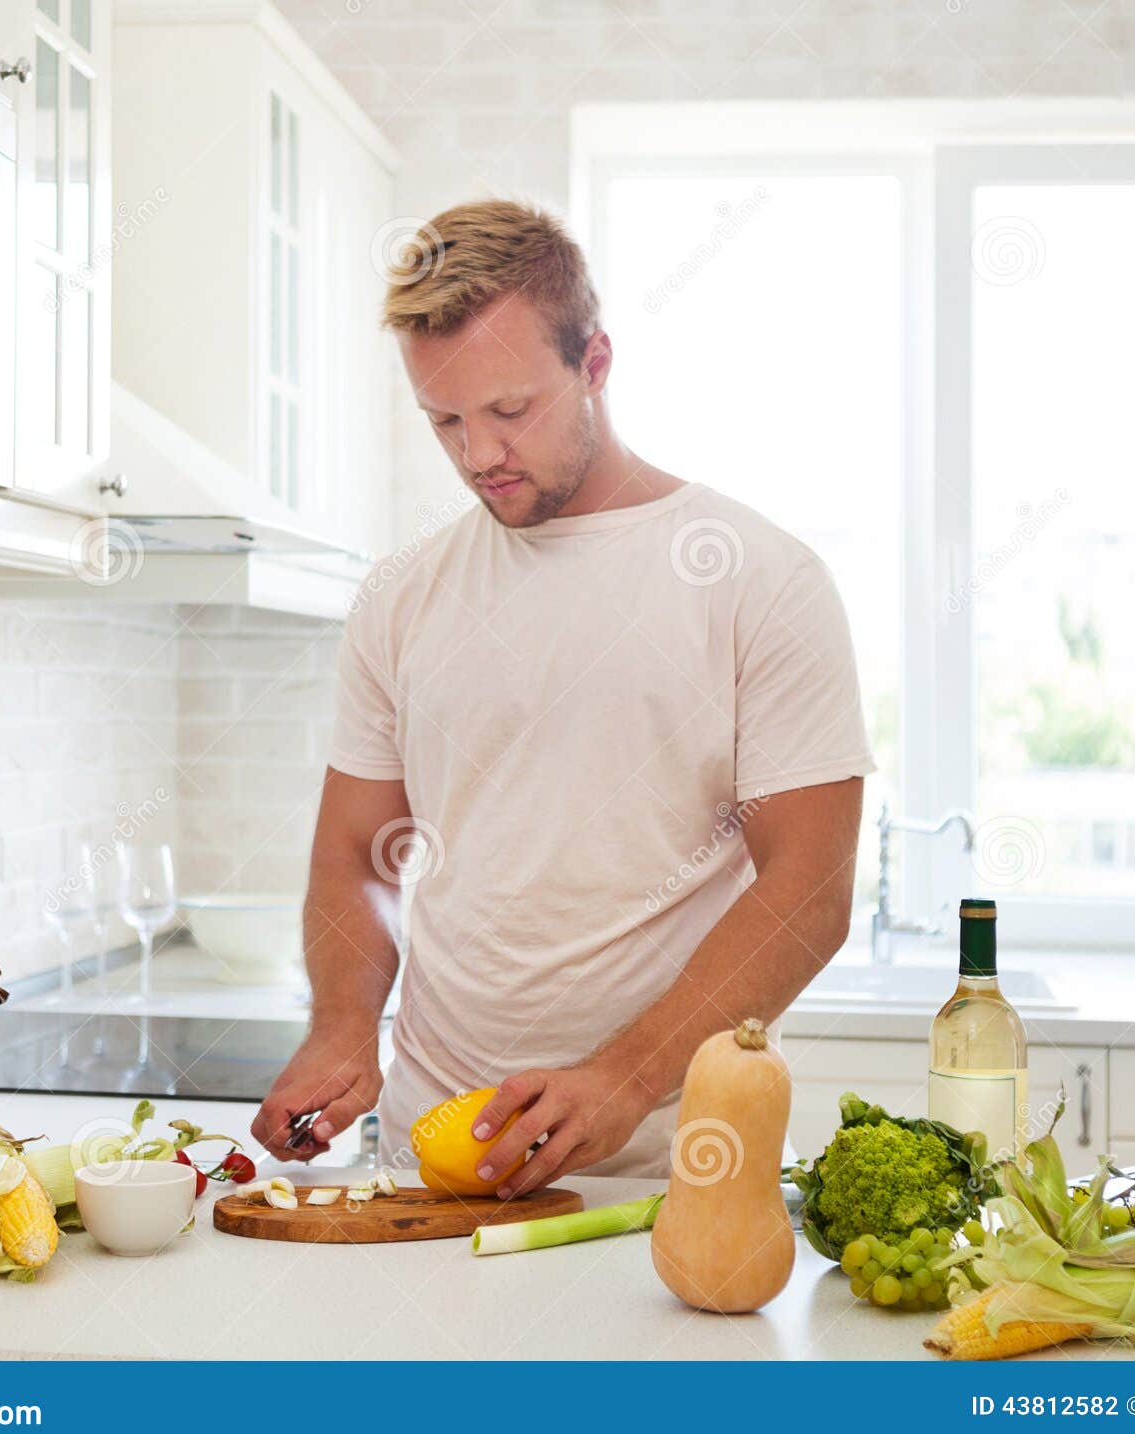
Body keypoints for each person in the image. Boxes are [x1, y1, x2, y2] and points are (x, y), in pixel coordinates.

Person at [252, 198, 873, 1196]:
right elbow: (352, 855)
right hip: (430, 1159)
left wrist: (622, 1077)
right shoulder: (402, 594)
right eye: (444, 420)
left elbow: (809, 887)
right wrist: (339, 1026)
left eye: (510, 410)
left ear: (595, 363)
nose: (478, 454)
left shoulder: (758, 576)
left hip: (671, 1166)